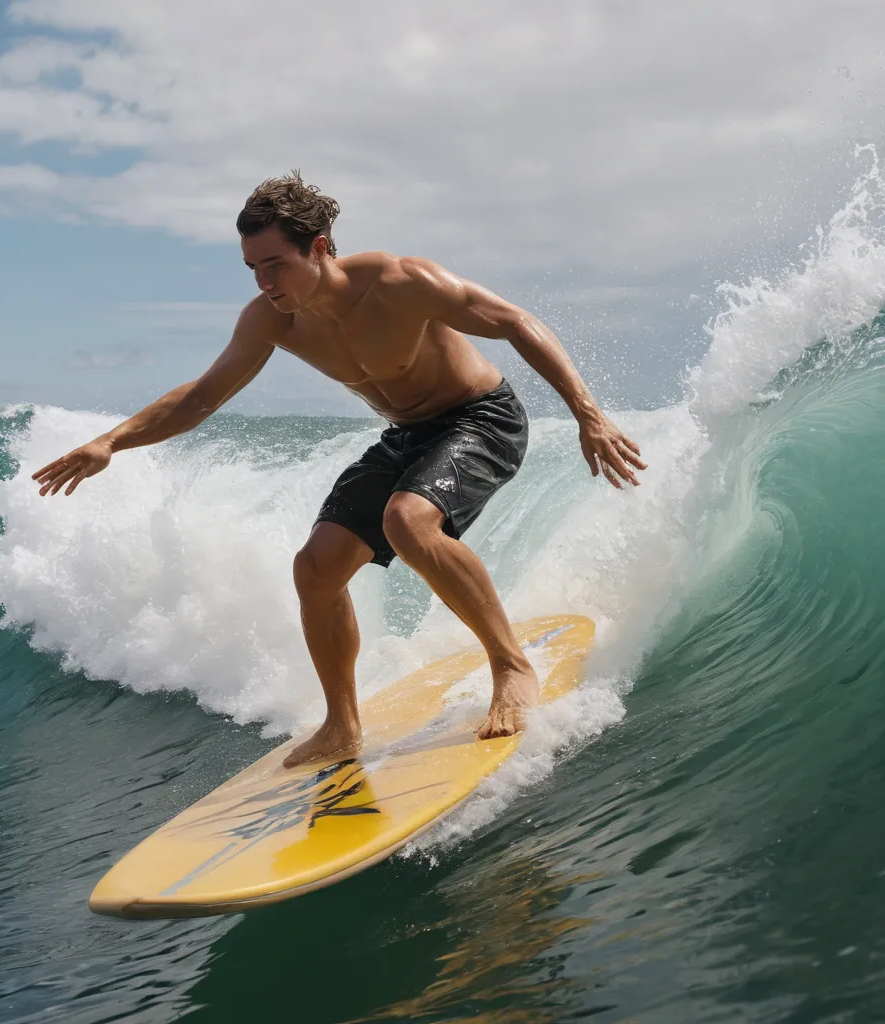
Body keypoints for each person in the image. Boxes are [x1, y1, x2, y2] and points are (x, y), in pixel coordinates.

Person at [33, 172, 646, 768]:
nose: (264, 282)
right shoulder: (272, 322)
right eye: (252, 269)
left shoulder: (402, 282)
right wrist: (110, 443)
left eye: (275, 264)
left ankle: (510, 666)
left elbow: (513, 322)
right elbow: (201, 397)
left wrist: (589, 416)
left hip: (481, 418)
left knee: (408, 521)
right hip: (407, 434)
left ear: (319, 248)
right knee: (316, 568)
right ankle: (342, 723)